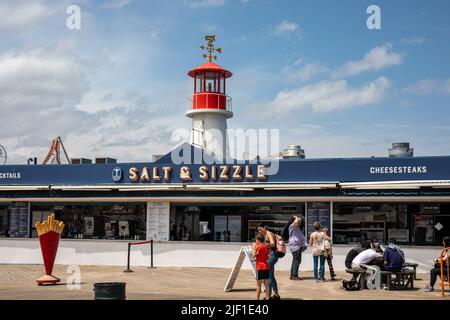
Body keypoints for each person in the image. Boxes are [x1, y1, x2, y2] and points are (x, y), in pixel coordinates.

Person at [257, 223, 281, 299]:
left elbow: (273, 244)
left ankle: (268, 296)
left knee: (268, 276)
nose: (259, 231)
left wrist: (264, 246)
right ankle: (276, 295)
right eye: (258, 230)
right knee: (271, 276)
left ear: (264, 228)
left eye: (260, 229)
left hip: (272, 255)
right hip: (271, 255)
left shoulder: (268, 234)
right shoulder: (266, 234)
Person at [288, 216, 307, 280]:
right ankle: (294, 275)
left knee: (295, 260)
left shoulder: (297, 228)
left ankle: (292, 275)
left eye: (300, 222)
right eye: (299, 222)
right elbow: (295, 222)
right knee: (297, 261)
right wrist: (296, 217)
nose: (299, 223)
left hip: (297, 246)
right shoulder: (292, 226)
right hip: (295, 246)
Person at [253, 233, 270, 300]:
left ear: (258, 240)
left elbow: (254, 255)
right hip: (266, 266)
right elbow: (267, 256)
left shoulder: (258, 247)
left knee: (258, 285)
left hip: (260, 267)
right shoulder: (266, 246)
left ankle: (257, 299)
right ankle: (267, 297)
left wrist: (254, 248)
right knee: (266, 284)